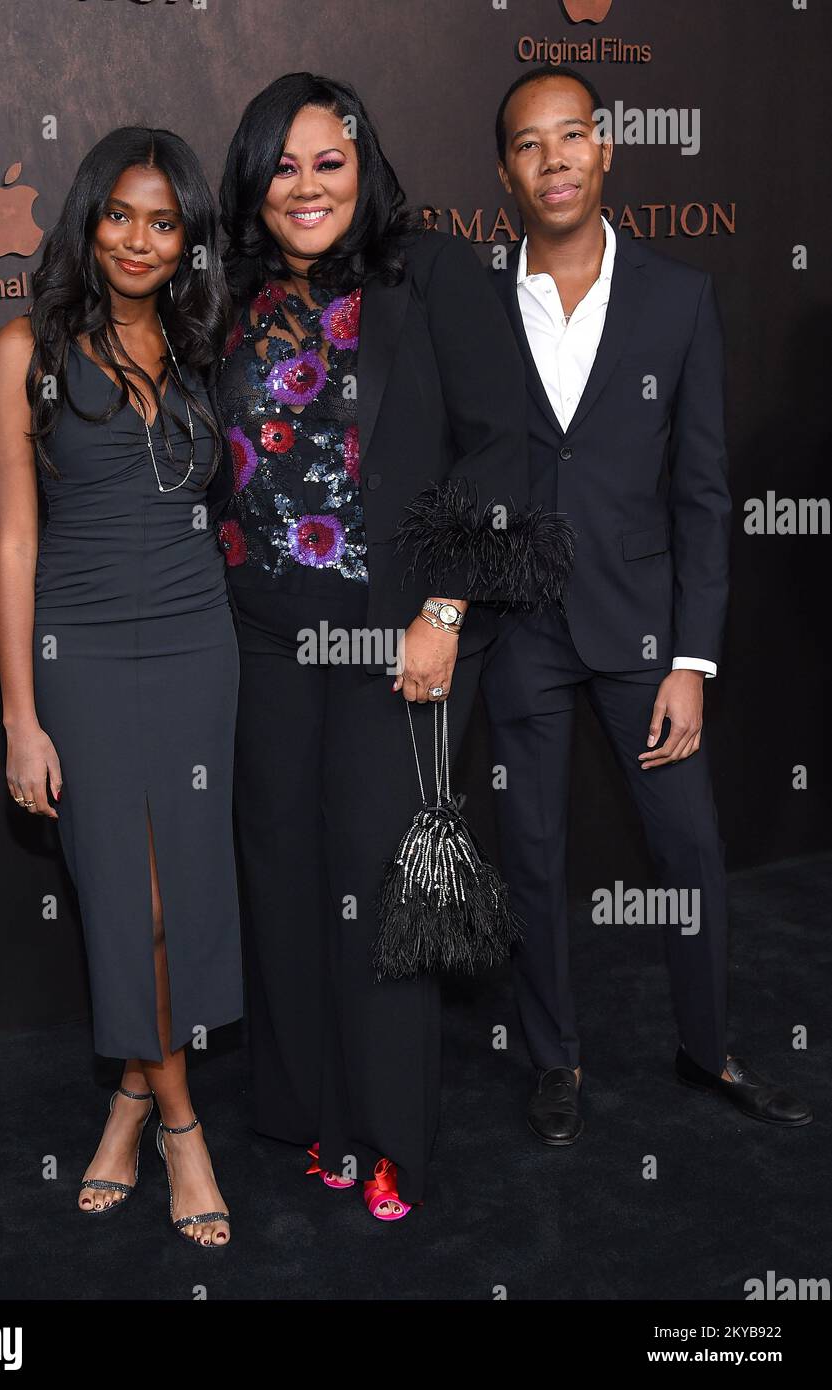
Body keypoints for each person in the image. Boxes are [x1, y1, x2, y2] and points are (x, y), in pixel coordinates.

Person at [216, 72, 572, 1220]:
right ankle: (312, 1112)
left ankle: (389, 1137)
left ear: (364, 169)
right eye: (283, 165)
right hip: (265, 633)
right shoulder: (231, 293)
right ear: (253, 181)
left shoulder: (432, 274)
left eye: (328, 161)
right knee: (281, 866)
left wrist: (447, 610)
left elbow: (502, 449)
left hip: (398, 630)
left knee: (379, 874)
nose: (306, 185)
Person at [484, 66, 812, 1143]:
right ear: (504, 171)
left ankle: (705, 1046)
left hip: (642, 632)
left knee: (689, 849)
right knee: (530, 848)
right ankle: (553, 1058)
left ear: (605, 148)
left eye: (570, 135)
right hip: (521, 626)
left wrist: (692, 659)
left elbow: (704, 493)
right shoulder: (474, 299)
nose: (554, 159)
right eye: (530, 144)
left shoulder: (679, 296)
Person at [0, 127, 242, 1246]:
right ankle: (181, 1123)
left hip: (198, 645)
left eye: (164, 220)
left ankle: (132, 1100)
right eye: (121, 215)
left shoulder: (198, 351)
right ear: (88, 220)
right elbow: (12, 548)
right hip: (79, 653)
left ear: (188, 240)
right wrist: (19, 719)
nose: (140, 239)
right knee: (128, 897)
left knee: (184, 893)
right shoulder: (24, 352)